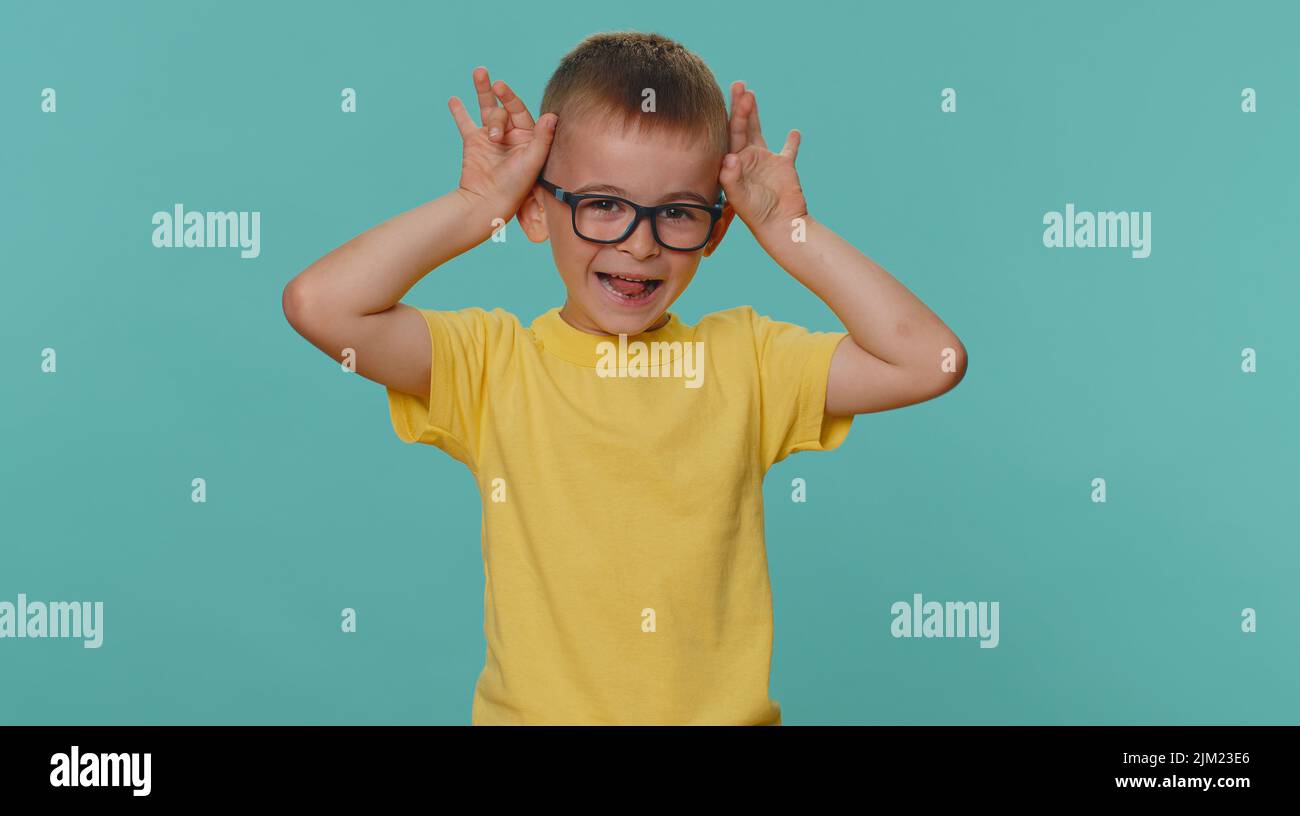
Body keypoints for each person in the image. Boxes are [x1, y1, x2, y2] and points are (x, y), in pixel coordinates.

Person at [283, 31, 967, 725]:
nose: (639, 244)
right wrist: (473, 208)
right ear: (536, 206)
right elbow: (321, 305)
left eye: (676, 212)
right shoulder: (492, 365)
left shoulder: (748, 364)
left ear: (717, 226)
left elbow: (929, 361)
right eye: (603, 204)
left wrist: (792, 230)